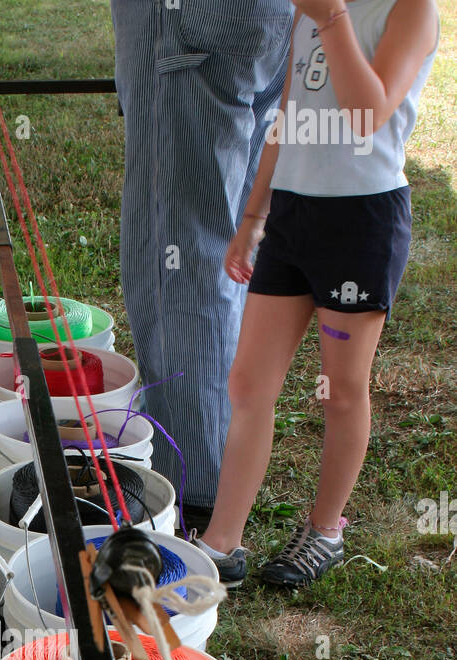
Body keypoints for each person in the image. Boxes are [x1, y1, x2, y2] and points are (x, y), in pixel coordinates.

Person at [195, 0, 439, 588]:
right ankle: (222, 543)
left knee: (341, 391)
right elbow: (288, 115)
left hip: (361, 223)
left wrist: (331, 18)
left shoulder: (411, 10)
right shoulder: (316, 9)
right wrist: (255, 215)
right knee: (249, 383)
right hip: (294, 217)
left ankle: (326, 528)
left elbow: (367, 115)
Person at [110, 0, 295, 531]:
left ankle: (191, 496)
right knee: (229, 247)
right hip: (261, 18)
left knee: (179, 266)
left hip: (195, 21)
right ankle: (219, 468)